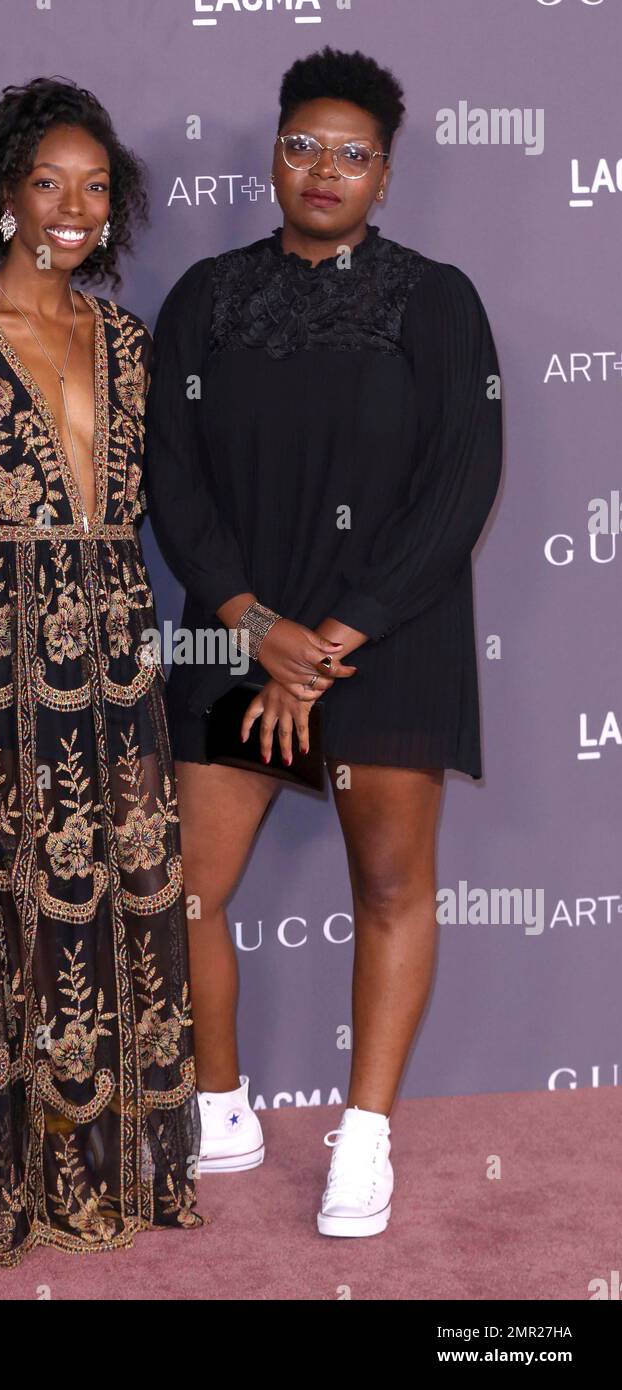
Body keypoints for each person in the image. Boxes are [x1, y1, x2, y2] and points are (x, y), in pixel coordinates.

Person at [143, 47, 502, 1237]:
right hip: (229, 630)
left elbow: (460, 484)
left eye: (352, 155)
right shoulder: (200, 297)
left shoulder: (437, 299)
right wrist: (252, 623)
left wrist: (331, 638)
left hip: (387, 635)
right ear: (274, 154)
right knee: (184, 887)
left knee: (390, 886)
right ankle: (219, 1103)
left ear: (383, 179)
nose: (323, 169)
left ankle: (363, 1136)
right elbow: (170, 480)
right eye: (304, 145)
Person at [0, 77, 201, 1266]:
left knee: (132, 918)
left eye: (94, 186)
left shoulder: (124, 339)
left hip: (118, 663)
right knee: (30, 930)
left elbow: (180, 502)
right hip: (4, 677)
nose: (71, 208)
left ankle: (132, 1182)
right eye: (47, 184)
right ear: (4, 197)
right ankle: (35, 1191)